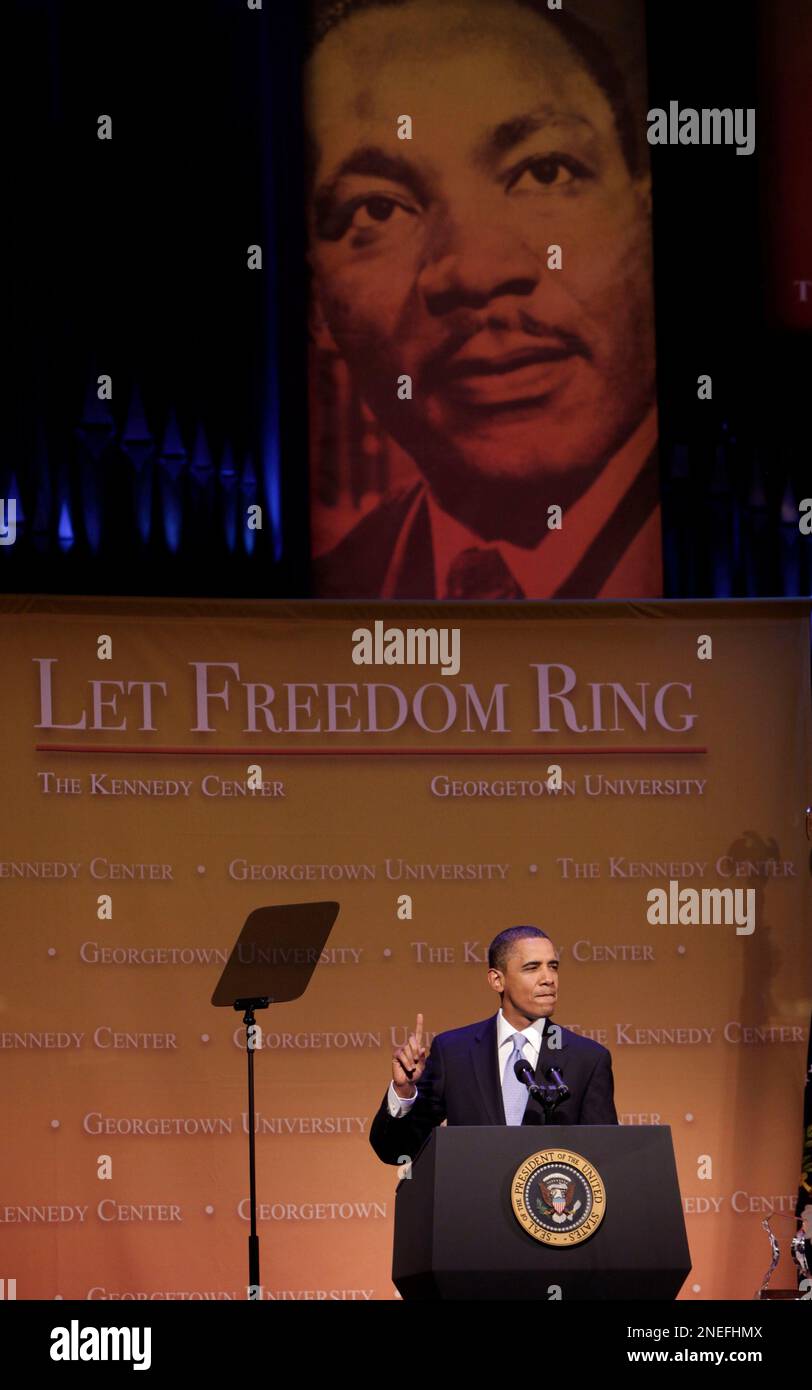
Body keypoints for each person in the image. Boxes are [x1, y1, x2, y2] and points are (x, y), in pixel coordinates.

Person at [306, 0, 660, 599]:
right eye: (379, 209)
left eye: (545, 171)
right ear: (316, 303)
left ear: (645, 222)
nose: (472, 270)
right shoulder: (336, 586)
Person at [369, 925, 618, 1165]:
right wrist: (403, 1092)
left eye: (553, 967)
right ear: (497, 980)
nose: (548, 979)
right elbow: (396, 1150)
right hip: (474, 1205)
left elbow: (605, 1157)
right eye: (532, 968)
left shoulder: (588, 1059)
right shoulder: (454, 1052)